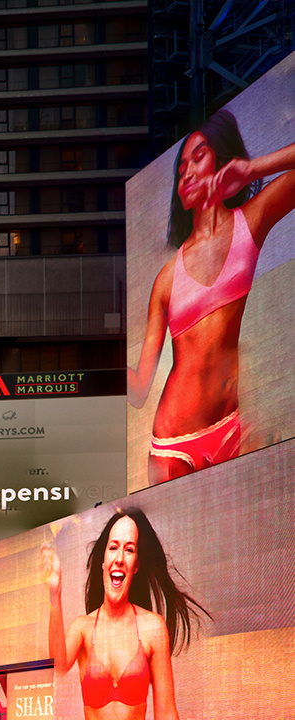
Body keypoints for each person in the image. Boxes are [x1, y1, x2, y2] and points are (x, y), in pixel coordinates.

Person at [128, 109, 295, 484]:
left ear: (221, 159)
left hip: (231, 429)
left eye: (198, 156)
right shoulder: (166, 279)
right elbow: (139, 388)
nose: (185, 171)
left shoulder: (250, 223)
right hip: (173, 446)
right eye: (180, 167)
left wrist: (251, 170)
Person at [43, 508, 206, 720]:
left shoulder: (153, 628)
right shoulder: (82, 628)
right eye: (113, 548)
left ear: (137, 564)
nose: (119, 558)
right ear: (103, 561)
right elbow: (57, 665)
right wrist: (55, 595)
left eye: (129, 550)